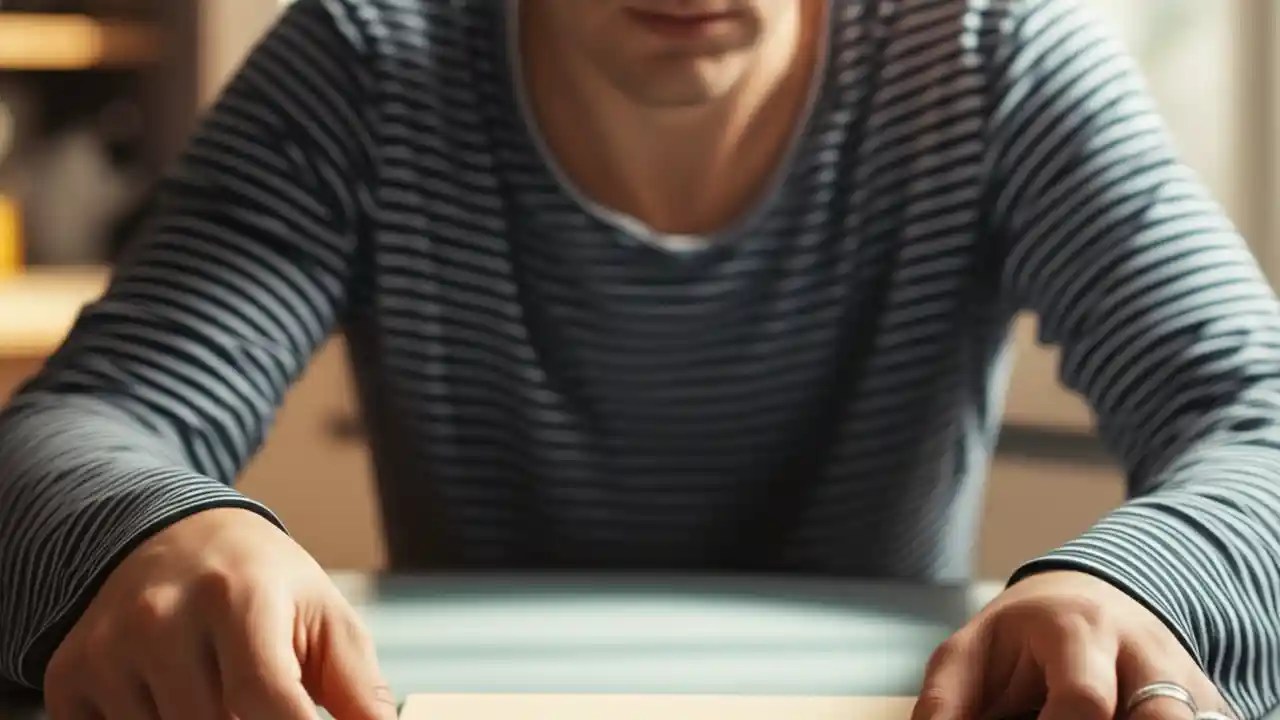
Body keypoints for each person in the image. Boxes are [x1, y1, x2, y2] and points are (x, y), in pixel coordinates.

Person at [0, 0, 1277, 717]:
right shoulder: (361, 63)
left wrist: (1144, 586)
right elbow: (93, 419)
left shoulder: (991, 60)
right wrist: (150, 530)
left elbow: (1254, 411)